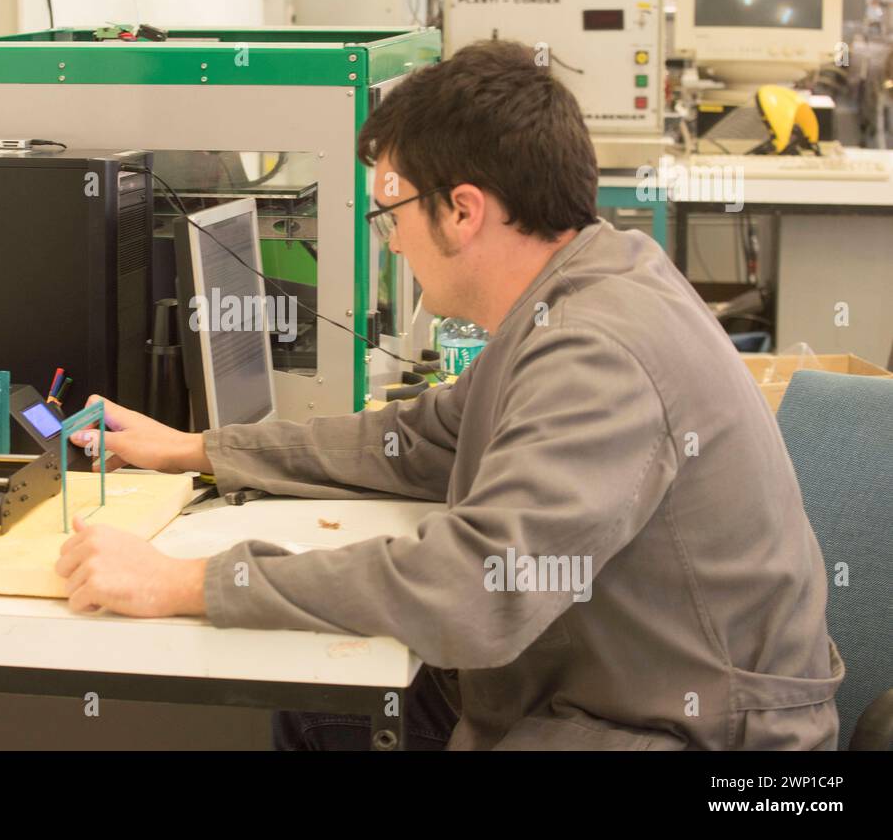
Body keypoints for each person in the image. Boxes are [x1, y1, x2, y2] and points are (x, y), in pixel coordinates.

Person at [55, 40, 844, 751]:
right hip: (612, 690)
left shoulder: (598, 351)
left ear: (463, 210)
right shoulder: (583, 286)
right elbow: (422, 438)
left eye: (390, 213)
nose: (390, 240)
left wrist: (188, 581)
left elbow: (474, 586)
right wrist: (199, 450)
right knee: (315, 713)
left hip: (700, 737)